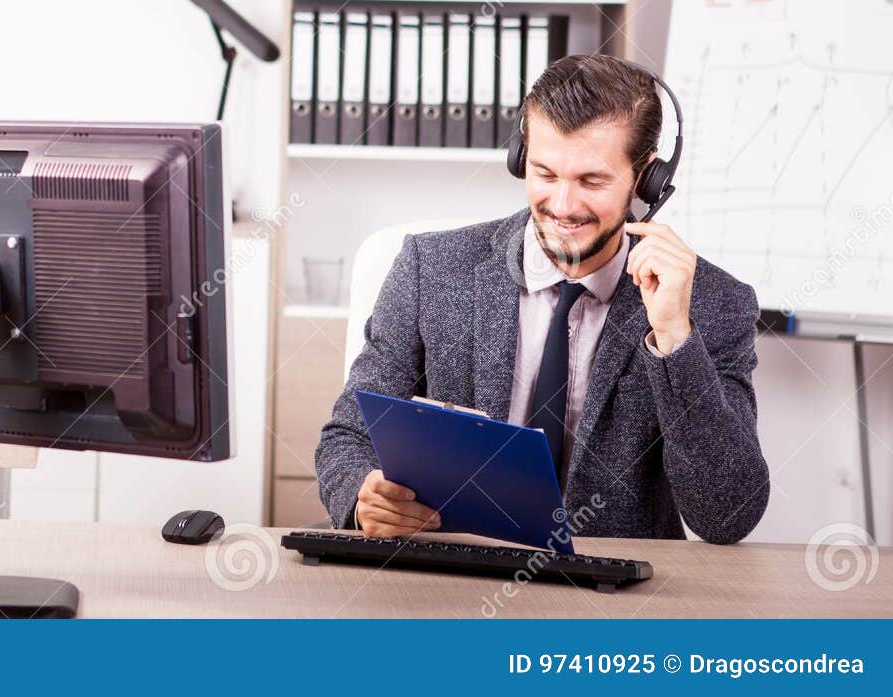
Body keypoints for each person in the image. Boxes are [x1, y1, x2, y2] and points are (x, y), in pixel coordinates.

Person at [314, 54, 770, 545]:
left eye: (592, 181)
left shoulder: (710, 302)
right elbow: (347, 438)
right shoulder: (431, 270)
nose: (564, 206)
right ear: (520, 158)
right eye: (546, 174)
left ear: (646, 179)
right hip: (454, 577)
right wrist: (364, 497)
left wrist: (675, 339)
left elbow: (728, 516)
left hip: (614, 602)